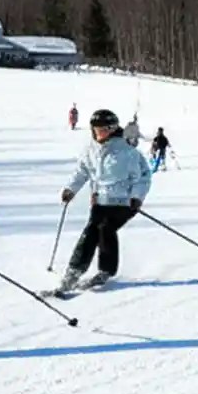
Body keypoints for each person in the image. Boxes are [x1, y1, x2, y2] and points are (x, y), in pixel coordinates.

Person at [54, 109, 152, 293]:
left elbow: (143, 177)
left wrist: (136, 198)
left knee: (105, 228)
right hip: (100, 201)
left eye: (102, 130)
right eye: (95, 129)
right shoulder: (91, 149)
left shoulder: (127, 151)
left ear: (112, 129)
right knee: (91, 231)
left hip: (123, 203)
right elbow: (82, 171)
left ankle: (106, 270)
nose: (98, 134)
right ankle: (74, 271)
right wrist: (71, 189)